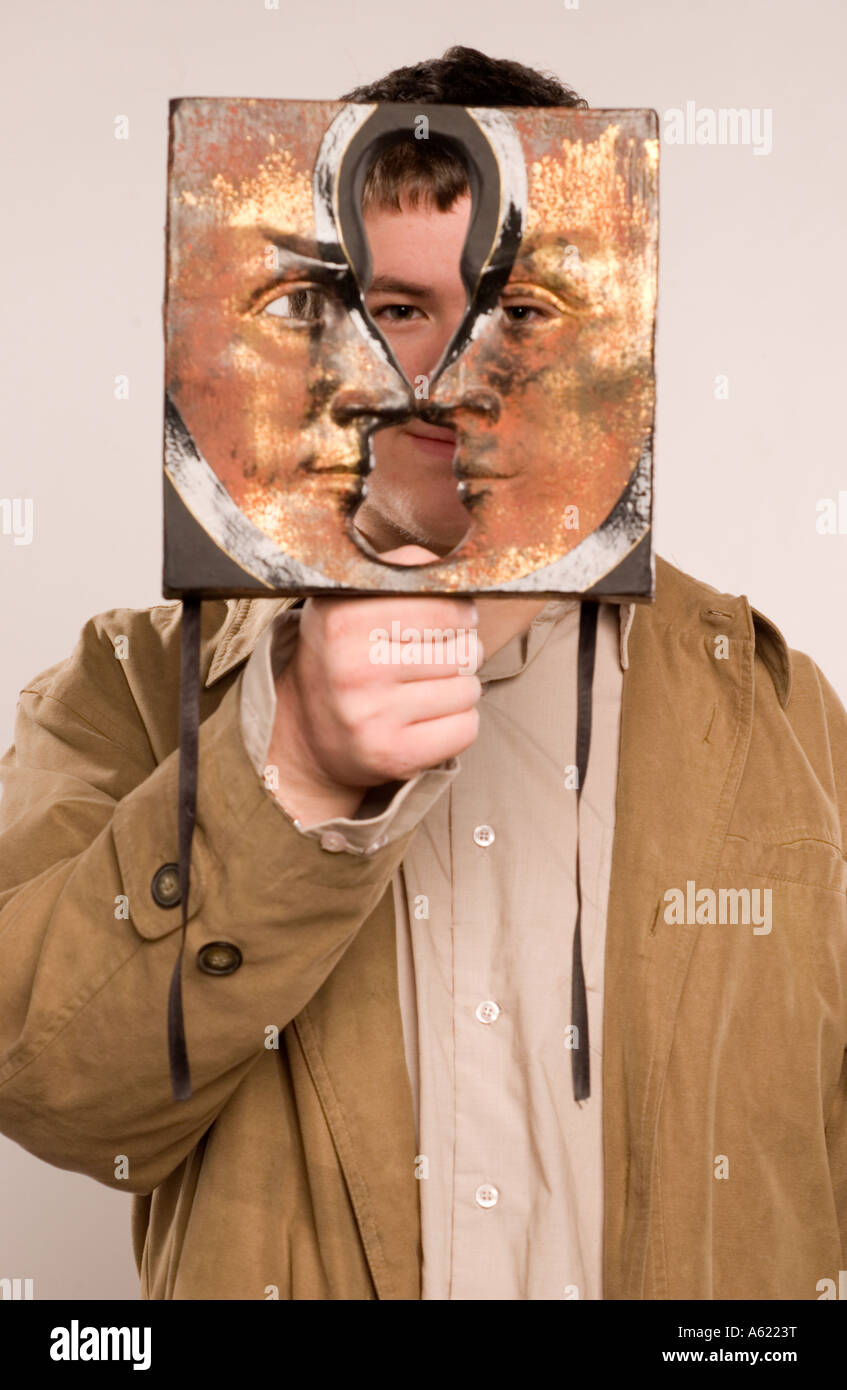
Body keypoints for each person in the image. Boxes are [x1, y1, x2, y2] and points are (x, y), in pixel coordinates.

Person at [0, 46, 845, 1301]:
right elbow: (54, 1090)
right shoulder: (129, 682)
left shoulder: (775, 704)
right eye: (399, 309)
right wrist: (287, 767)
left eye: (518, 307)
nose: (451, 371)